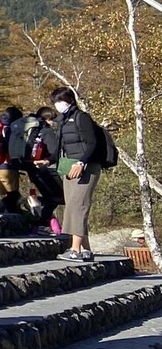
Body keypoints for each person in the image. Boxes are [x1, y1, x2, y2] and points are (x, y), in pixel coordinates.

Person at [51, 87, 105, 262]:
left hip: (86, 167)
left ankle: (75, 249)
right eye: (55, 101)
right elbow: (61, 146)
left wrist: (82, 162)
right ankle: (86, 249)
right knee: (73, 206)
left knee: (78, 206)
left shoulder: (82, 118)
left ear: (70, 100)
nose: (58, 104)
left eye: (61, 100)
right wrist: (48, 161)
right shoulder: (63, 122)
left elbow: (92, 143)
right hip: (69, 167)